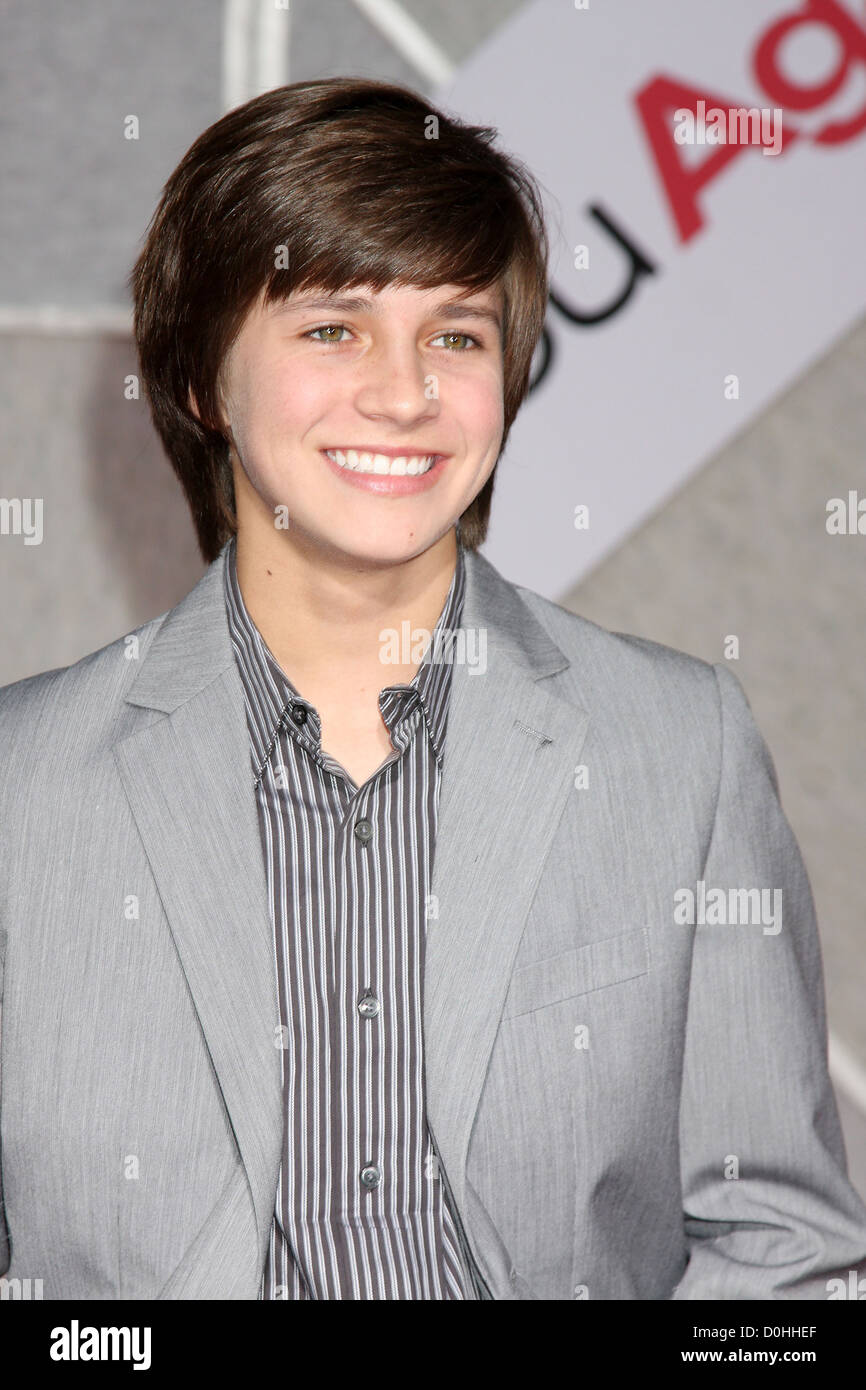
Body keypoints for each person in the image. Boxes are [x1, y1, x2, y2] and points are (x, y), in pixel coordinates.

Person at [1, 77, 864, 1302]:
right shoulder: (20, 789)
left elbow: (783, 1250)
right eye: (330, 328)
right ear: (201, 381)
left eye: (454, 335)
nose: (404, 395)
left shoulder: (677, 747)